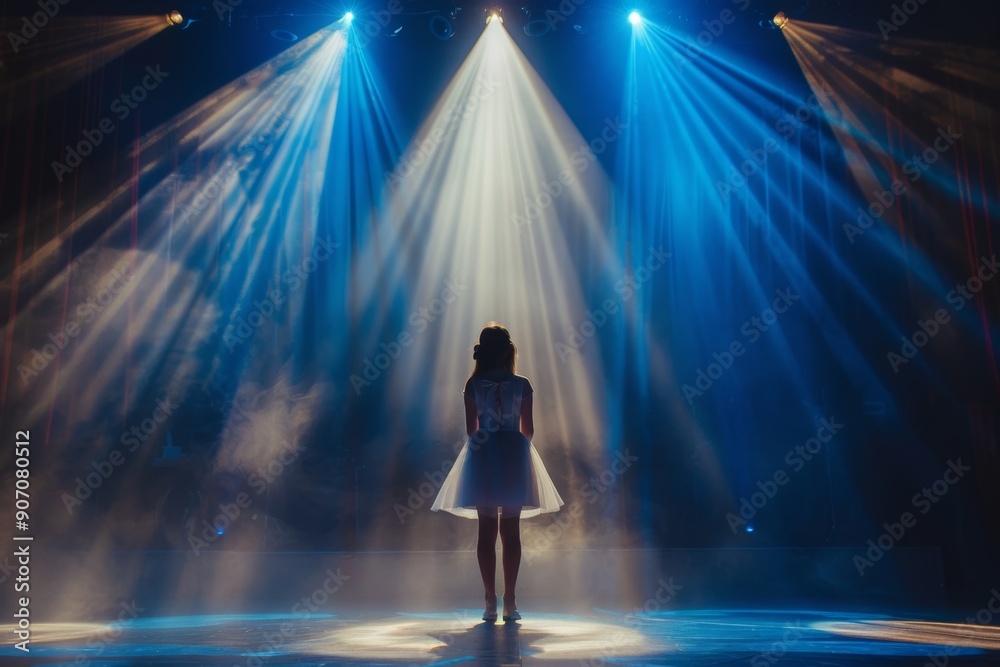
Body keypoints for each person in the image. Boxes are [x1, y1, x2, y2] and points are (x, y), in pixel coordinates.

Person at [431, 322, 564, 622]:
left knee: (486, 532)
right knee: (511, 532)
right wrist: (512, 445)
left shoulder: (473, 384)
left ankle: (490, 600)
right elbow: (528, 430)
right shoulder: (523, 384)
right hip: (514, 456)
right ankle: (511, 600)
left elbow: (470, 430)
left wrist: (490, 441)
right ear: (508, 350)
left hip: (484, 454)